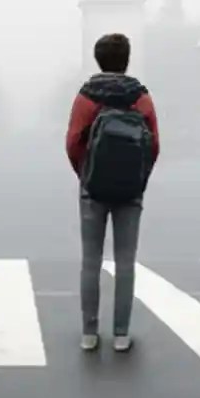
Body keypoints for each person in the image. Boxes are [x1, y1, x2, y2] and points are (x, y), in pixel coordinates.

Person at [65, 33, 160, 353]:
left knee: (90, 260)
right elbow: (154, 143)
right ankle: (121, 334)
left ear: (98, 58)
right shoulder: (141, 97)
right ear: (127, 58)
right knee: (125, 261)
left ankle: (89, 333)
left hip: (93, 189)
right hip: (130, 190)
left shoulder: (87, 97)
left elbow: (73, 141)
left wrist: (87, 175)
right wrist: (139, 177)